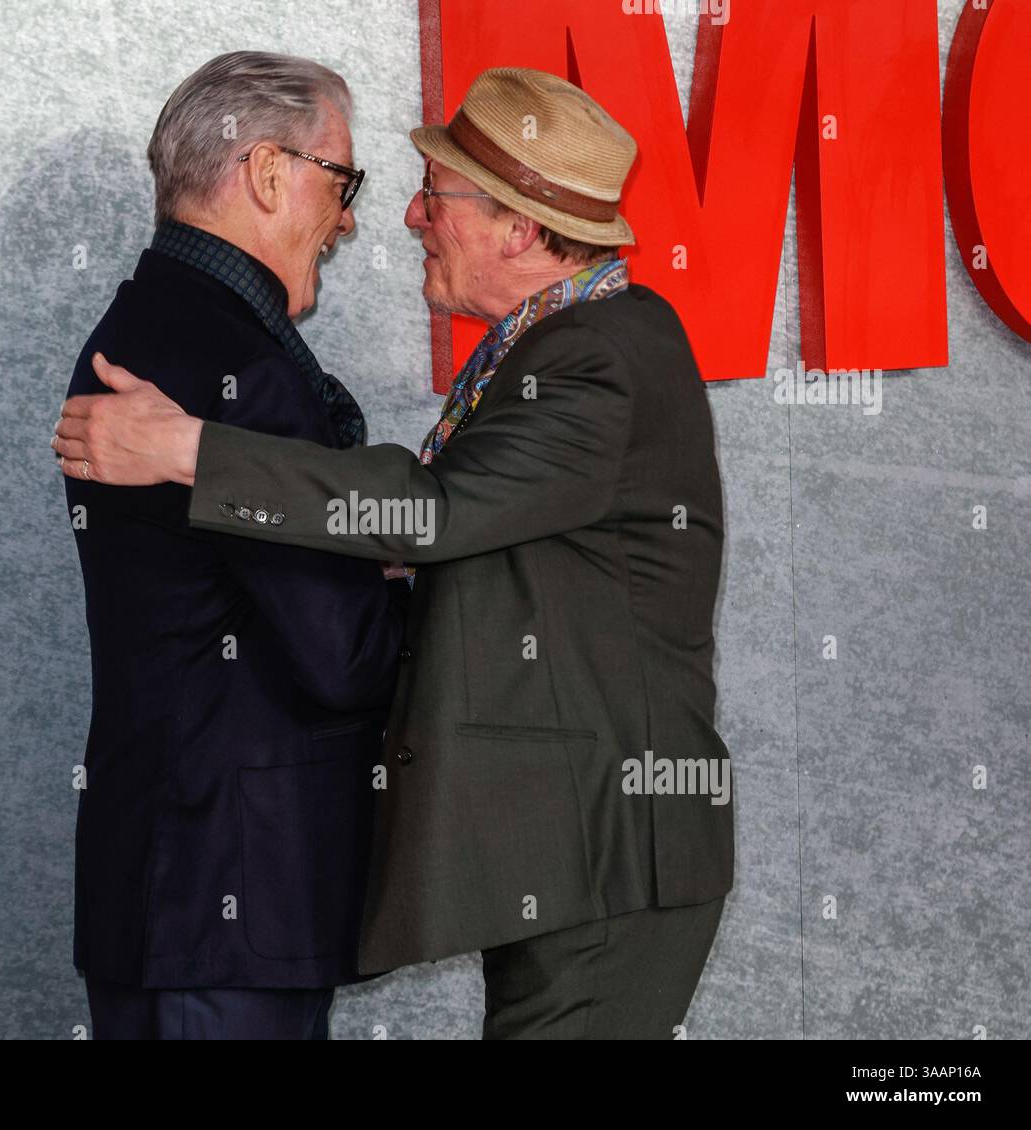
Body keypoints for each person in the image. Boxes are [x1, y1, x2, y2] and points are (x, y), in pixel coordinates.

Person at [56, 66, 734, 1039]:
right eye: (356, 182)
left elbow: (440, 510)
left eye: (438, 195)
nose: (402, 217)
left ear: (517, 224)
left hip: (610, 853)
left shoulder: (599, 351)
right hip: (555, 853)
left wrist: (189, 447)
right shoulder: (546, 349)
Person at [61, 50, 407, 1040]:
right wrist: (414, 578)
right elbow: (344, 657)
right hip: (234, 900)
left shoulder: (139, 327)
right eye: (341, 182)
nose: (346, 220)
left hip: (161, 888)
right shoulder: (244, 368)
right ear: (267, 173)